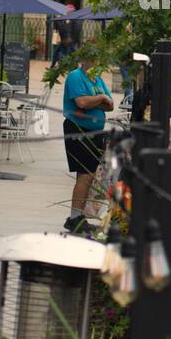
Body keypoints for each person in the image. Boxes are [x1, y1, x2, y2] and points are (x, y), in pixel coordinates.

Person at [62, 53, 114, 235]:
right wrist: (101, 98)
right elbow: (82, 102)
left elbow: (111, 105)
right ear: (85, 58)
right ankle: (74, 218)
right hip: (78, 129)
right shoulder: (76, 77)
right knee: (85, 174)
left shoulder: (97, 79)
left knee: (88, 175)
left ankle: (78, 216)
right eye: (94, 57)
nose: (97, 61)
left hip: (94, 132)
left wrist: (99, 100)